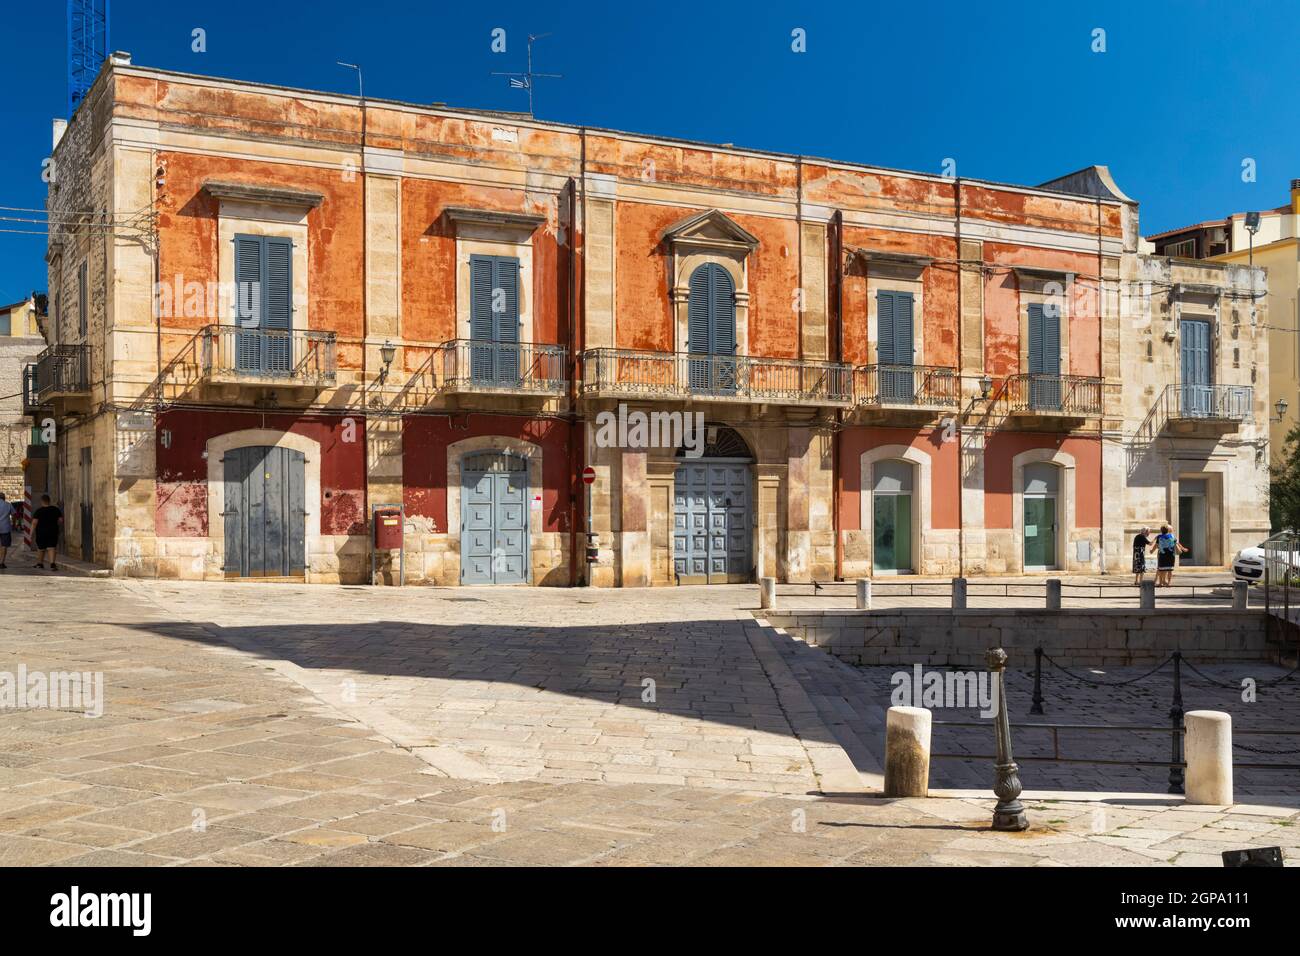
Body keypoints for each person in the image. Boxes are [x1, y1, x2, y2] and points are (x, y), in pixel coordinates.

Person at [31, 495, 63, 571]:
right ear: (49, 501)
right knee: (51, 547)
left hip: (41, 533)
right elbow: (61, 520)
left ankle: (40, 563)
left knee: (41, 548)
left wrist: (31, 533)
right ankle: (52, 564)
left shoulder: (39, 511)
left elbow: (34, 523)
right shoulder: (55, 509)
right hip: (53, 531)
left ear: (42, 501)